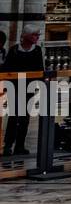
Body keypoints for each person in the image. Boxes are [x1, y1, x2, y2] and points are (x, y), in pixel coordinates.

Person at [2, 25, 44, 157]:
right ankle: (8, 146)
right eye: (34, 35)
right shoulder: (14, 50)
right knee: (13, 118)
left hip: (29, 89)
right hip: (14, 87)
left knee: (25, 119)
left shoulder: (37, 50)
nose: (37, 37)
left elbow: (39, 69)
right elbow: (7, 69)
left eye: (37, 35)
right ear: (26, 36)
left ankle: (20, 146)